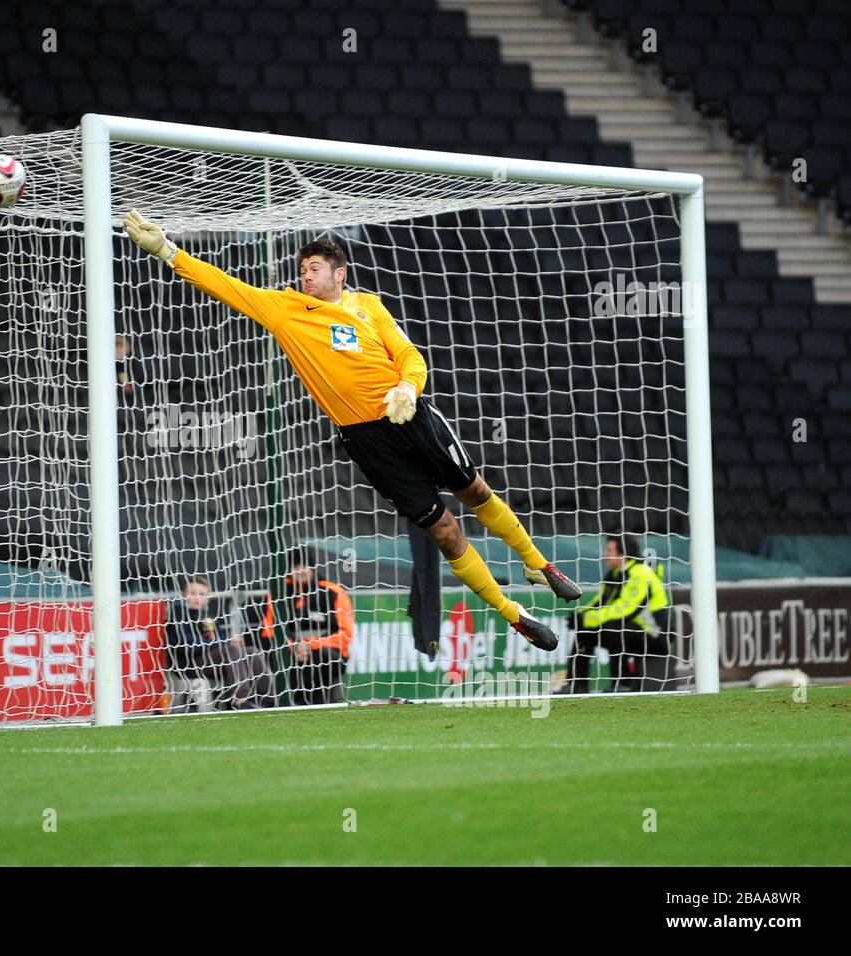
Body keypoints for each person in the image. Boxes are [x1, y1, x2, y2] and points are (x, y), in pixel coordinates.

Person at [122, 211, 580, 651]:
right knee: (444, 530)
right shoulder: (286, 309)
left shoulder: (369, 307)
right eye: (302, 269)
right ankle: (512, 613)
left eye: (315, 268)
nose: (305, 275)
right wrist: (167, 251)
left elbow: (410, 355)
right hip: (367, 440)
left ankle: (538, 564)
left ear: (339, 274)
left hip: (410, 414)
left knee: (475, 492)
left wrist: (406, 387)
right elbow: (226, 286)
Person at [561, 533, 670, 694]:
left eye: (609, 550)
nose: (605, 553)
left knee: (614, 628)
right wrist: (581, 615)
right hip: (633, 630)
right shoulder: (614, 575)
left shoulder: (640, 573)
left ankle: (624, 683)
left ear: (622, 554)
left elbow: (626, 608)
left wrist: (589, 618)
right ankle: (576, 685)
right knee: (584, 631)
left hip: (655, 634)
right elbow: (601, 602)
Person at [264, 547, 355, 705]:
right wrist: (292, 647)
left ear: (312, 567)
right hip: (289, 649)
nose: (300, 570)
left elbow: (345, 634)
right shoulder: (279, 593)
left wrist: (309, 644)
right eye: (295, 566)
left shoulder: (333, 591)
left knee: (322, 657)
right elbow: (268, 631)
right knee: (278, 656)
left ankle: (307, 703)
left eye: (304, 565)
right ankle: (283, 702)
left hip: (325, 651)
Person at [163, 575, 261, 710]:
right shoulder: (177, 616)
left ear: (208, 597)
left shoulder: (208, 615)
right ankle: (239, 700)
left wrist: (229, 641)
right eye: (192, 593)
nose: (197, 598)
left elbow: (219, 638)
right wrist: (225, 642)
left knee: (251, 651)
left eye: (202, 594)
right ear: (183, 595)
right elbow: (187, 647)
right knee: (231, 650)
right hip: (189, 666)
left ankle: (267, 699)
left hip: (212, 662)